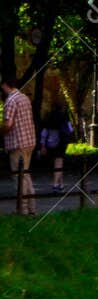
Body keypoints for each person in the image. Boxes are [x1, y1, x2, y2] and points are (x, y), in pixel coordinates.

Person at [2, 77, 37, 215]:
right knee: (26, 175)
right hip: (29, 141)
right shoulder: (24, 98)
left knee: (19, 177)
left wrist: (1, 131)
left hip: (17, 143)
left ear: (5, 85)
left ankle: (22, 209)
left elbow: (8, 125)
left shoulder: (11, 101)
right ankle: (31, 208)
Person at [39, 99, 72, 195]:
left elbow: (44, 132)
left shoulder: (49, 116)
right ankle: (55, 184)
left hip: (50, 143)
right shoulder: (64, 117)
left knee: (57, 163)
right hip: (61, 143)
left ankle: (61, 185)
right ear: (63, 107)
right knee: (59, 164)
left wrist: (43, 145)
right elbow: (70, 129)